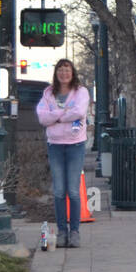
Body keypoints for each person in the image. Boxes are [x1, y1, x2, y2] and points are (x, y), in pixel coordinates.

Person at [36, 59, 90, 248]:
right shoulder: (48, 93)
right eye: (60, 70)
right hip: (55, 146)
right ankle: (61, 232)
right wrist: (62, 114)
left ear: (72, 72)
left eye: (67, 70)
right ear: (56, 73)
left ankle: (74, 232)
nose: (64, 73)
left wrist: (56, 116)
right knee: (59, 191)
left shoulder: (81, 92)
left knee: (73, 191)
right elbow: (42, 117)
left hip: (75, 145)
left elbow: (79, 112)